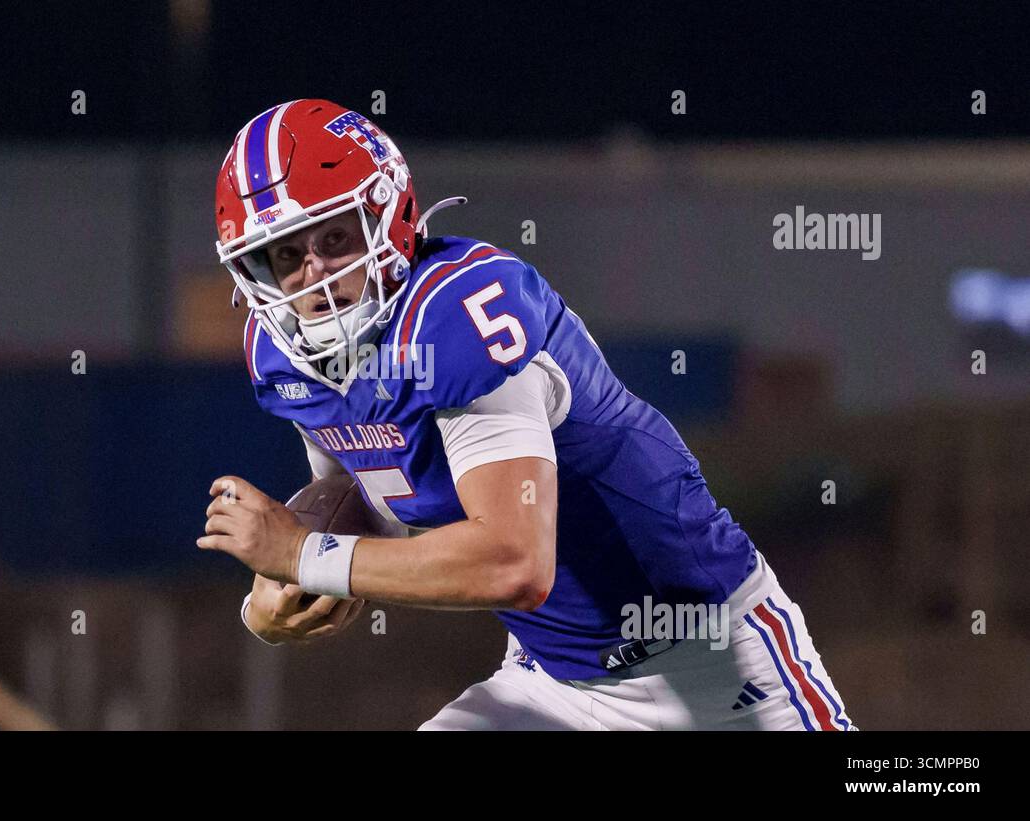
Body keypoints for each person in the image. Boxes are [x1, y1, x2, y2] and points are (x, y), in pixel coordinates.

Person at [200, 99, 854, 730]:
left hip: (710, 664)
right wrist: (275, 595)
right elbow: (359, 505)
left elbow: (514, 561)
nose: (314, 275)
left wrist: (304, 553)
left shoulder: (458, 312)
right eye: (287, 254)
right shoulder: (283, 357)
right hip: (554, 682)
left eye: (335, 237)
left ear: (388, 218)